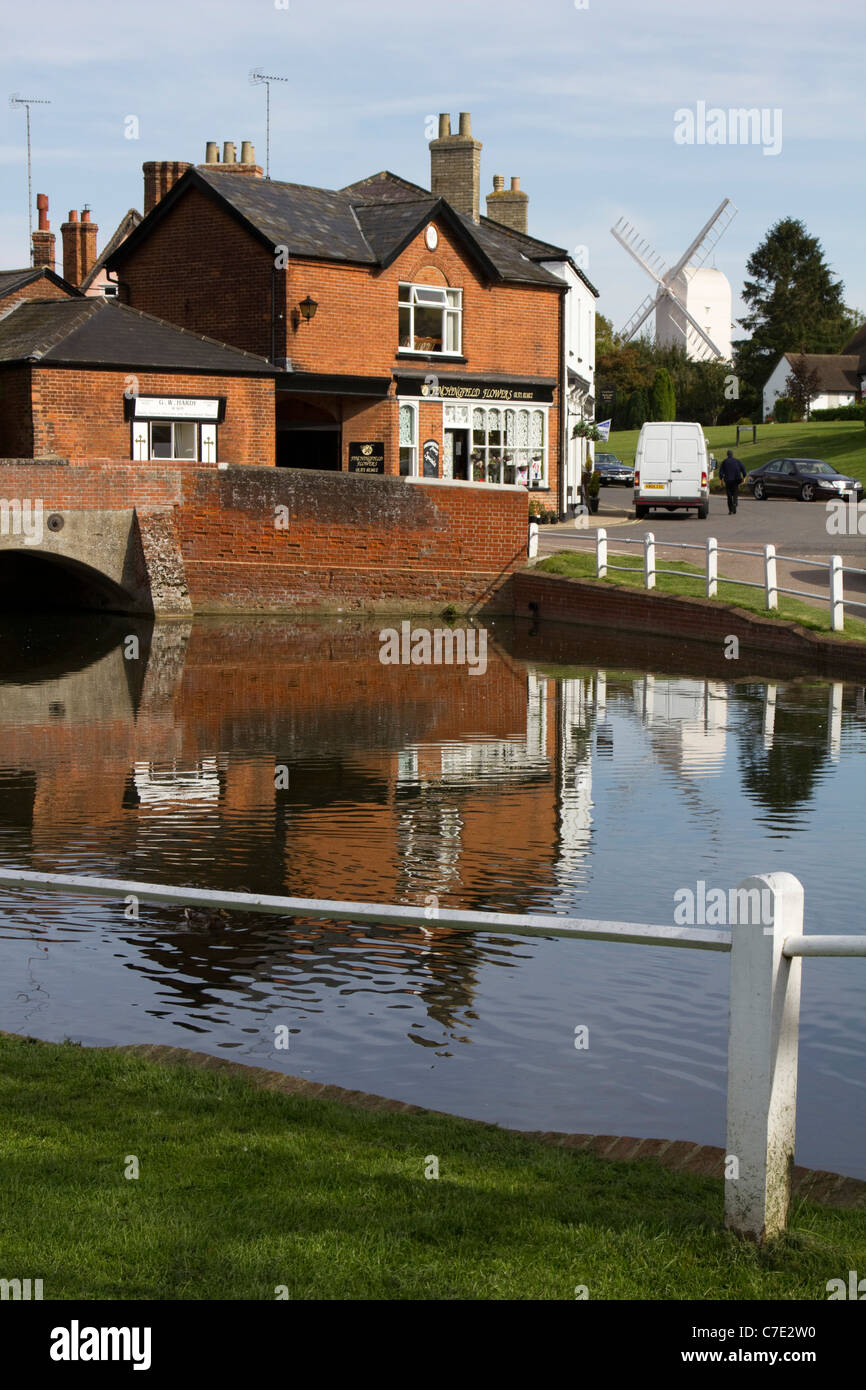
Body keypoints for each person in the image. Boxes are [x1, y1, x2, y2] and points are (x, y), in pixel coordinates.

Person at [719, 449, 746, 514]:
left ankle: (730, 510)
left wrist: (721, 478)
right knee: (735, 493)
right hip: (736, 480)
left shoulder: (724, 462)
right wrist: (744, 476)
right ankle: (735, 503)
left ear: (727, 455)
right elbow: (743, 469)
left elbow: (721, 472)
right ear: (732, 454)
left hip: (728, 481)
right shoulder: (737, 461)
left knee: (729, 495)